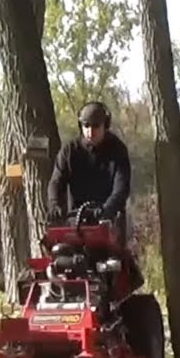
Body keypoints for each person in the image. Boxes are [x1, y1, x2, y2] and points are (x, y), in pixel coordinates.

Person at [46, 100, 143, 289]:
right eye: (86, 126)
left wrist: (107, 210)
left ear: (105, 125)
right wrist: (55, 205)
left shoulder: (117, 150)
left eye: (96, 126)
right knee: (64, 254)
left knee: (115, 266)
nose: (90, 131)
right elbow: (56, 182)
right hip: (77, 220)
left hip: (109, 218)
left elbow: (121, 188)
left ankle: (112, 301)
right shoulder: (69, 151)